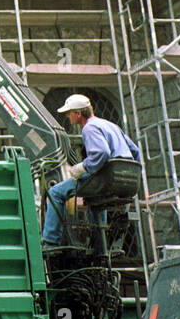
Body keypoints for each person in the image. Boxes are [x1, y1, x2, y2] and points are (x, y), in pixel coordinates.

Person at [41, 93, 141, 247]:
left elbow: (101, 153)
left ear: (78, 113)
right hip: (127, 182)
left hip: (107, 179)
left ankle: (50, 242)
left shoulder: (89, 128)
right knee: (96, 199)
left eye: (69, 113)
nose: (68, 117)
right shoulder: (111, 125)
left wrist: (82, 167)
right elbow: (135, 151)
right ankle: (98, 246)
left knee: (55, 192)